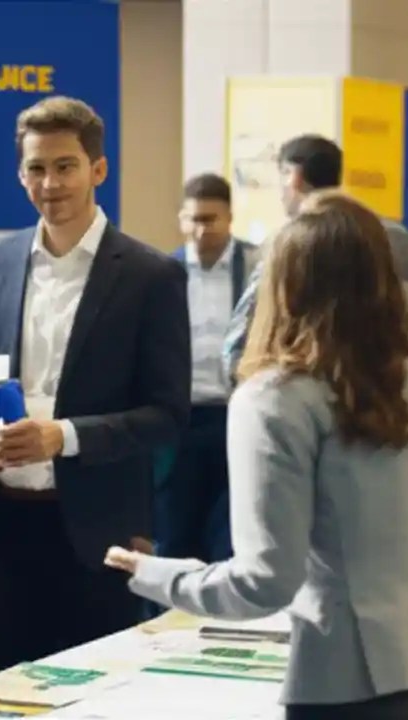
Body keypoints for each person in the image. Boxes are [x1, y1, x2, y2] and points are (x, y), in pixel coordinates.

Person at [107, 191, 408, 720]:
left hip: (348, 684)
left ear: (282, 284)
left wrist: (157, 574)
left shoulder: (273, 399)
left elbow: (265, 581)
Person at [0, 96, 191, 670]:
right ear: (20, 173)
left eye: (65, 166)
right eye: (36, 168)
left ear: (97, 170)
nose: (49, 183)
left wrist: (65, 437)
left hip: (93, 535)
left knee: (89, 694)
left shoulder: (151, 276)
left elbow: (166, 413)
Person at [221, 135, 408, 377]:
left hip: (297, 387)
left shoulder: (284, 242)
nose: (280, 193)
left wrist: (251, 391)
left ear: (294, 176)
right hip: (382, 395)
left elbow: (237, 343)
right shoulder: (393, 236)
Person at [161, 173, 260, 562]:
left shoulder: (256, 267)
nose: (201, 230)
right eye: (194, 219)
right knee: (174, 532)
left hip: (234, 413)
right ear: (181, 219)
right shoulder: (161, 271)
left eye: (211, 219)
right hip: (179, 419)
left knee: (231, 531)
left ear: (230, 218)